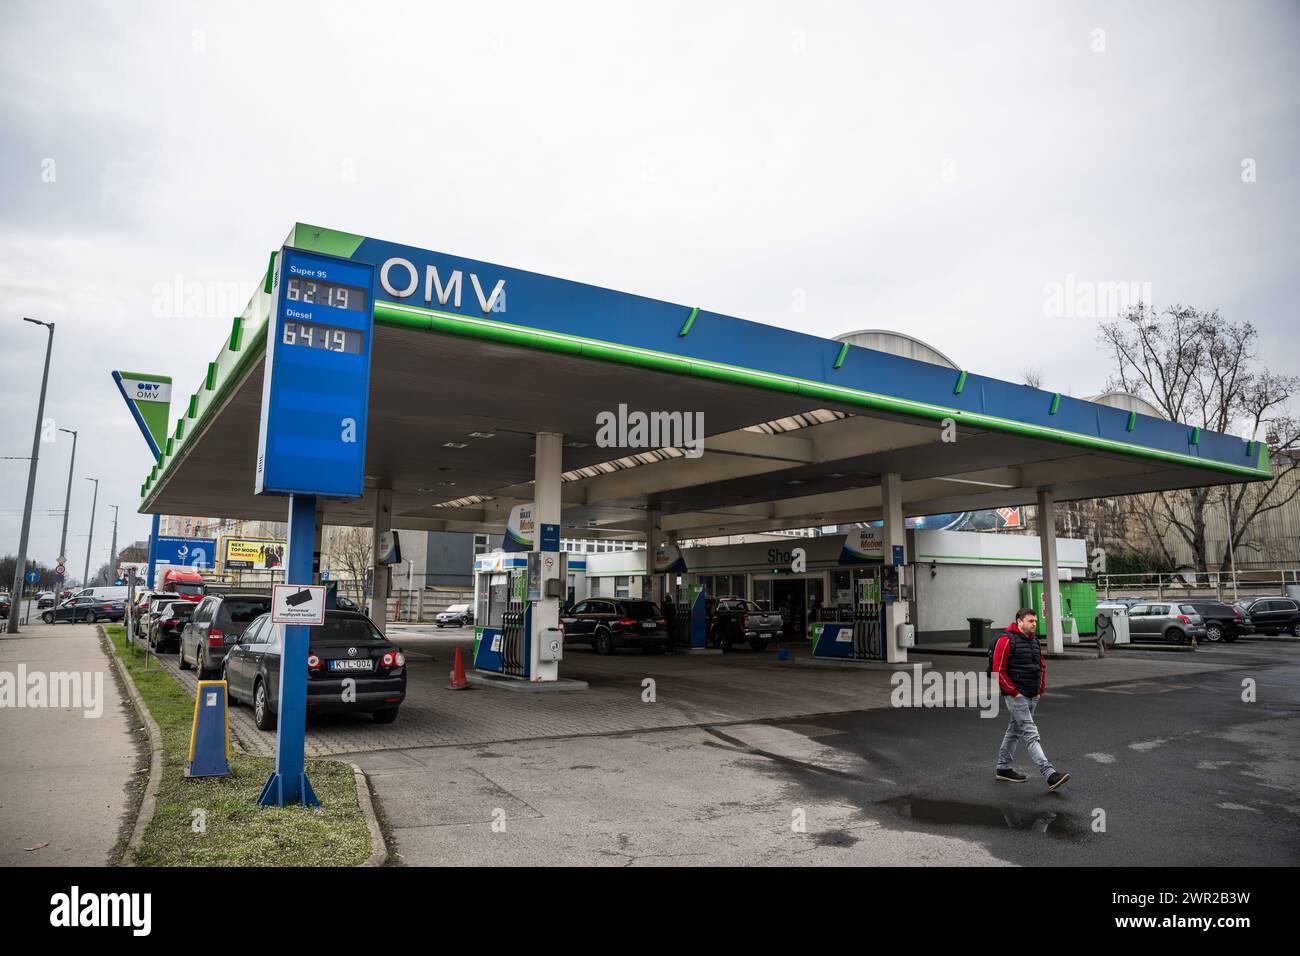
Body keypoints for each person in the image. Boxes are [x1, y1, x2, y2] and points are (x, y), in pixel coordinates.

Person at [992, 607, 1070, 791]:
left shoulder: (1034, 641)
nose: (1034, 624)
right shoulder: (1006, 640)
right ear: (1019, 621)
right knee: (1030, 733)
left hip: (1032, 694)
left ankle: (1003, 768)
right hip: (1016, 696)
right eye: (1030, 621)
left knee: (1014, 731)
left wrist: (1039, 689)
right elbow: (998, 670)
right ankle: (1049, 773)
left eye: (1035, 621)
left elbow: (1040, 665)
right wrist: (1013, 692)